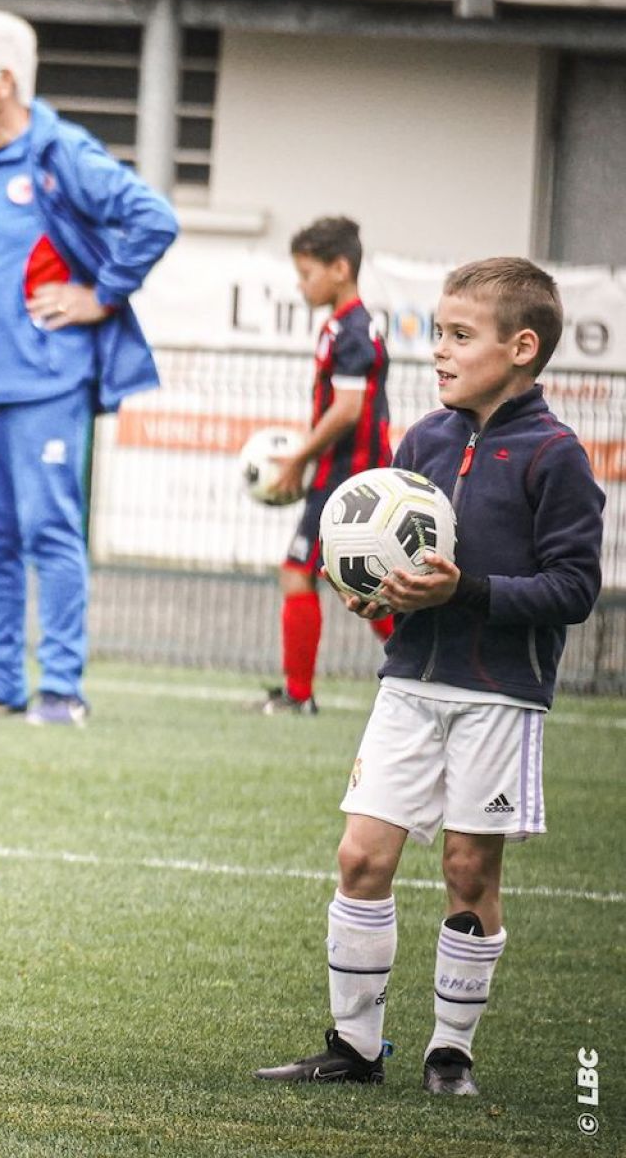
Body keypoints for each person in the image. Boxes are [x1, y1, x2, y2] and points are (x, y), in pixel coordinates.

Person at [255, 257, 603, 1096]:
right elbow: (399, 576)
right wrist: (369, 594)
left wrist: (468, 590)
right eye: (437, 334)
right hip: (408, 683)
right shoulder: (424, 441)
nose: (438, 352)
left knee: (466, 872)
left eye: (458, 336)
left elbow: (574, 589)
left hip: (499, 696)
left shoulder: (556, 457)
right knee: (360, 857)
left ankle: (452, 1052)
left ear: (523, 348)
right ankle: (354, 1047)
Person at [0, 10, 179, 726]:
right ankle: (1, 682)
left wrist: (100, 296)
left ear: (6, 81)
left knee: (50, 532)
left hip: (46, 381)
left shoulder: (62, 152)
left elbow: (153, 218)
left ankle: (61, 687)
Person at [255, 217, 394, 715]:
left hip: (347, 477)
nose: (301, 283)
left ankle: (300, 695)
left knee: (306, 572)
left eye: (307, 272)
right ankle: (420, 673)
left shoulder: (353, 327)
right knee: (346, 580)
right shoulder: (342, 323)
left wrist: (298, 457)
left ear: (340, 268)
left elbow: (348, 409)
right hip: (342, 474)